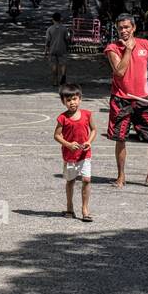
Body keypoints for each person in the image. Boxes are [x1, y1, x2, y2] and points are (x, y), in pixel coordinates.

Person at [103, 13, 148, 187]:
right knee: (121, 137)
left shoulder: (146, 45)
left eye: (127, 27)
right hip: (121, 100)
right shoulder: (112, 48)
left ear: (134, 28)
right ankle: (121, 176)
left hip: (143, 100)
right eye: (120, 28)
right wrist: (128, 50)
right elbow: (119, 72)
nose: (123, 31)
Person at [54, 84, 95, 221]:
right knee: (71, 181)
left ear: (80, 99)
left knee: (87, 180)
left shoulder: (87, 115)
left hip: (85, 154)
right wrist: (68, 144)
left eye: (75, 99)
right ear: (63, 102)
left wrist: (89, 141)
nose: (72, 103)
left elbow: (94, 130)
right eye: (69, 100)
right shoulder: (62, 118)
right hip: (70, 156)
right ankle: (69, 206)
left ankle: (85, 209)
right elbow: (57, 135)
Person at [45, 11, 70, 86]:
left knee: (54, 65)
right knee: (63, 64)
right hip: (62, 49)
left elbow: (47, 41)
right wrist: (68, 46)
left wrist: (46, 51)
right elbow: (67, 39)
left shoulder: (49, 29)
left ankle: (55, 81)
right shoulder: (64, 29)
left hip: (53, 49)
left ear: (53, 19)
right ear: (60, 19)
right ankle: (63, 76)